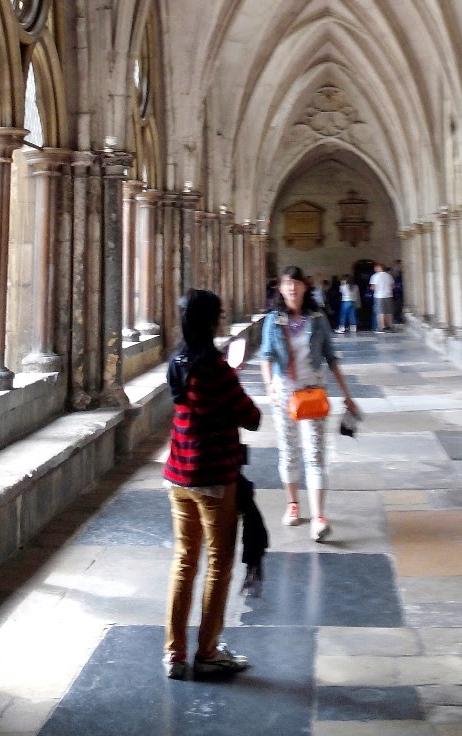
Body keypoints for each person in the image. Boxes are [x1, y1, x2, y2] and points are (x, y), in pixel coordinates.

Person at [164, 288, 261, 681]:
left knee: (184, 561)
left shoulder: (176, 361)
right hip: (213, 476)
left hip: (178, 473)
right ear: (209, 320)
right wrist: (233, 375)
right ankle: (207, 651)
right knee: (219, 563)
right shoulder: (214, 368)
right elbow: (251, 417)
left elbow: (192, 406)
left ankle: (174, 653)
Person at [259, 265, 360, 542]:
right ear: (280, 288)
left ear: (305, 286)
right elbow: (266, 357)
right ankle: (293, 503)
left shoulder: (317, 319)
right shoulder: (273, 320)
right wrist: (269, 387)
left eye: (296, 283)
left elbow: (331, 357)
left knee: (315, 454)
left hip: (313, 391)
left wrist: (346, 393)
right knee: (288, 451)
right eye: (287, 283)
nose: (292, 288)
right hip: (284, 394)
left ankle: (318, 517)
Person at [369, 261, 395, 331]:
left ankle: (382, 327)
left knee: (380, 312)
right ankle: (389, 326)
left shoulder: (374, 276)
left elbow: (373, 287)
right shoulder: (389, 276)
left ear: (379, 267)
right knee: (389, 311)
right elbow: (393, 286)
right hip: (389, 295)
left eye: (375, 267)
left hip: (379, 296)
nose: (374, 269)